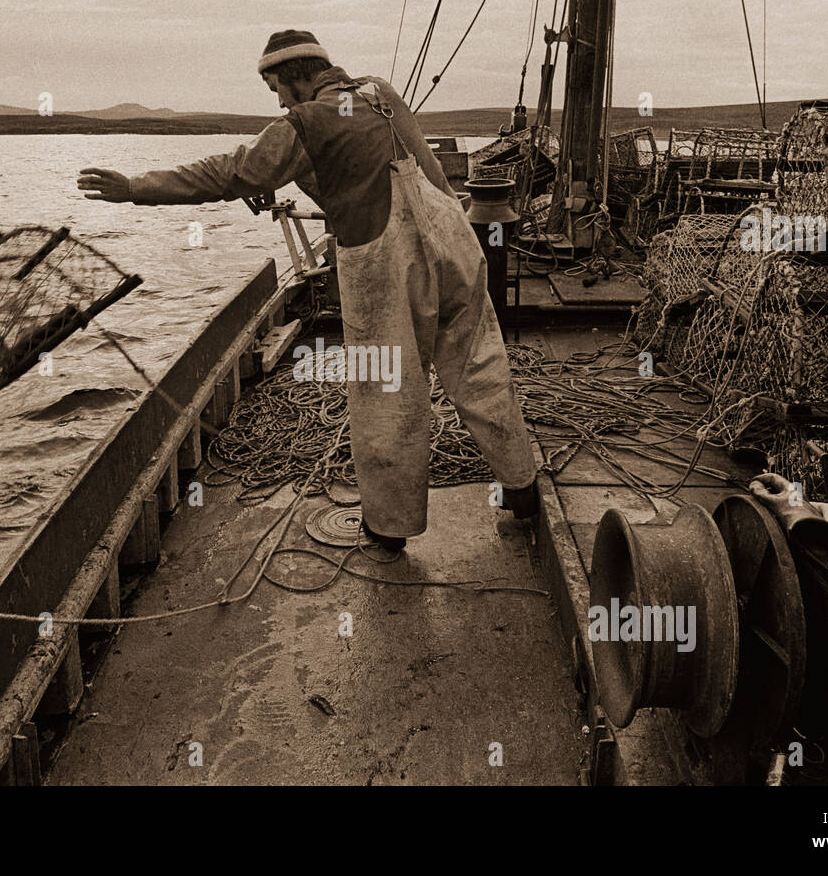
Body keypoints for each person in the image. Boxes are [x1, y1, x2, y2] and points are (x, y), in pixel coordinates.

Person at [78, 29, 539, 552]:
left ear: (296, 75)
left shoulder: (302, 123)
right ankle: (522, 486)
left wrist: (136, 189)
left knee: (387, 391)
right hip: (455, 243)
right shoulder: (379, 93)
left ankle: (389, 529)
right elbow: (396, 170)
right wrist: (294, 175)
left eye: (276, 86)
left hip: (385, 263)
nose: (277, 99)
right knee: (480, 367)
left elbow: (226, 173)